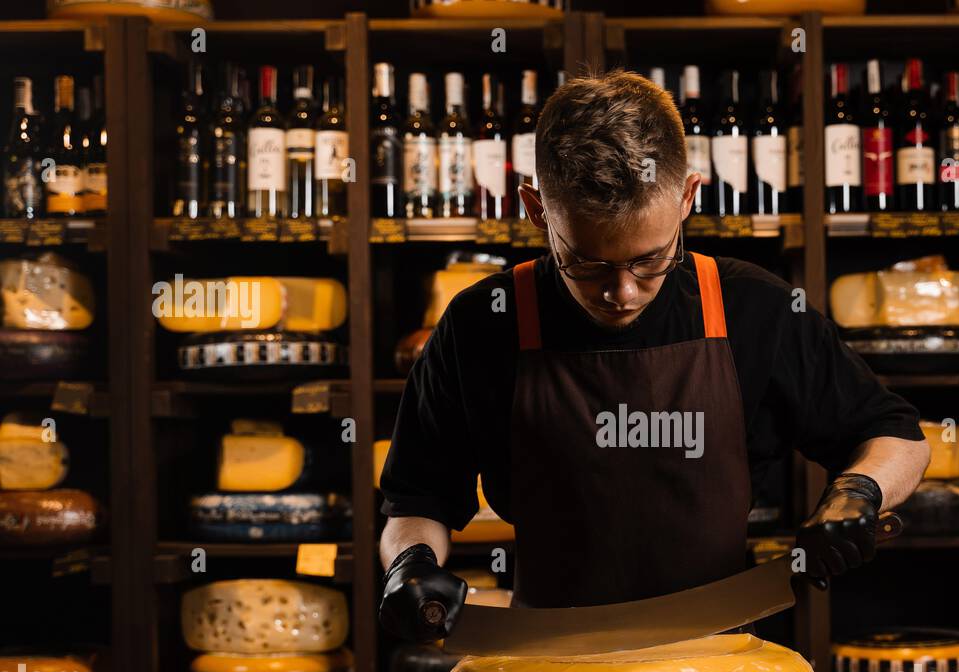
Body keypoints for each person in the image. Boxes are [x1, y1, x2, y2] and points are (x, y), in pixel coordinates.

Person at [378, 69, 929, 642]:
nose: (623, 292)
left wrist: (857, 492)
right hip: (547, 662)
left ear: (688, 196)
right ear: (538, 209)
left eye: (649, 260)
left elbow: (898, 436)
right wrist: (409, 565)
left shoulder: (756, 309)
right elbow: (418, 499)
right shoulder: (480, 323)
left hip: (714, 666)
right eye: (588, 264)